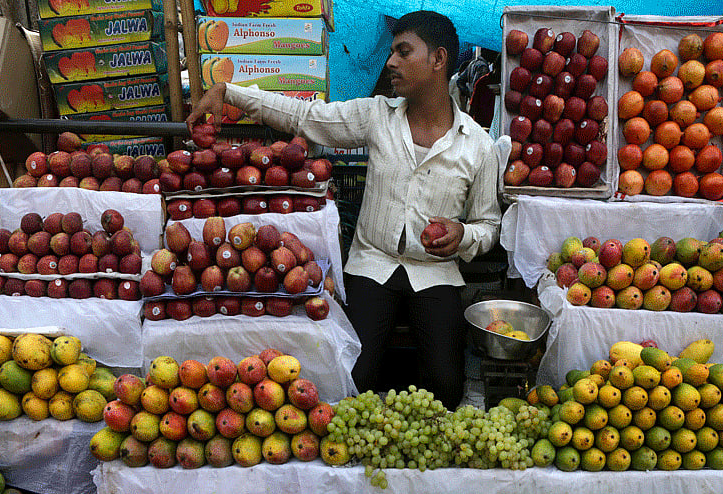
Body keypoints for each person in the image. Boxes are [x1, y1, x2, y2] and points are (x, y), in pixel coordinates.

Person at [187, 10, 502, 409]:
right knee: (354, 377)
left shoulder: (477, 144)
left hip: (436, 272)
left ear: (439, 60)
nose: (390, 62)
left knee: (446, 387)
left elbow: (488, 225)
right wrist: (228, 91)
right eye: (392, 52)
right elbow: (305, 115)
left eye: (404, 52)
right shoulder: (377, 116)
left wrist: (463, 234)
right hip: (373, 263)